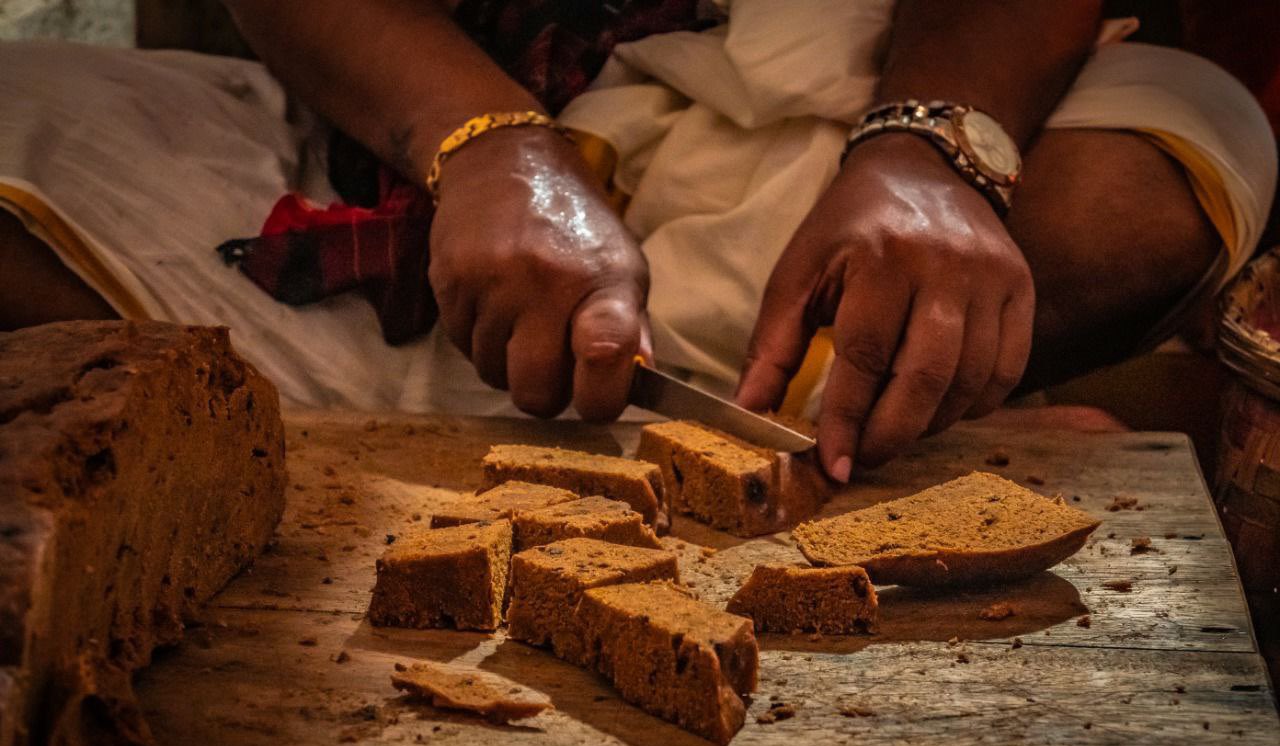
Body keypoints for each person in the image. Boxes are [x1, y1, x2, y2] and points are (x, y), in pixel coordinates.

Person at [0, 0, 1273, 482]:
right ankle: (884, 417)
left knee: (1159, 167)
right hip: (402, 112)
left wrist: (927, 149)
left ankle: (826, 395)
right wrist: (491, 145)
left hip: (833, 100)